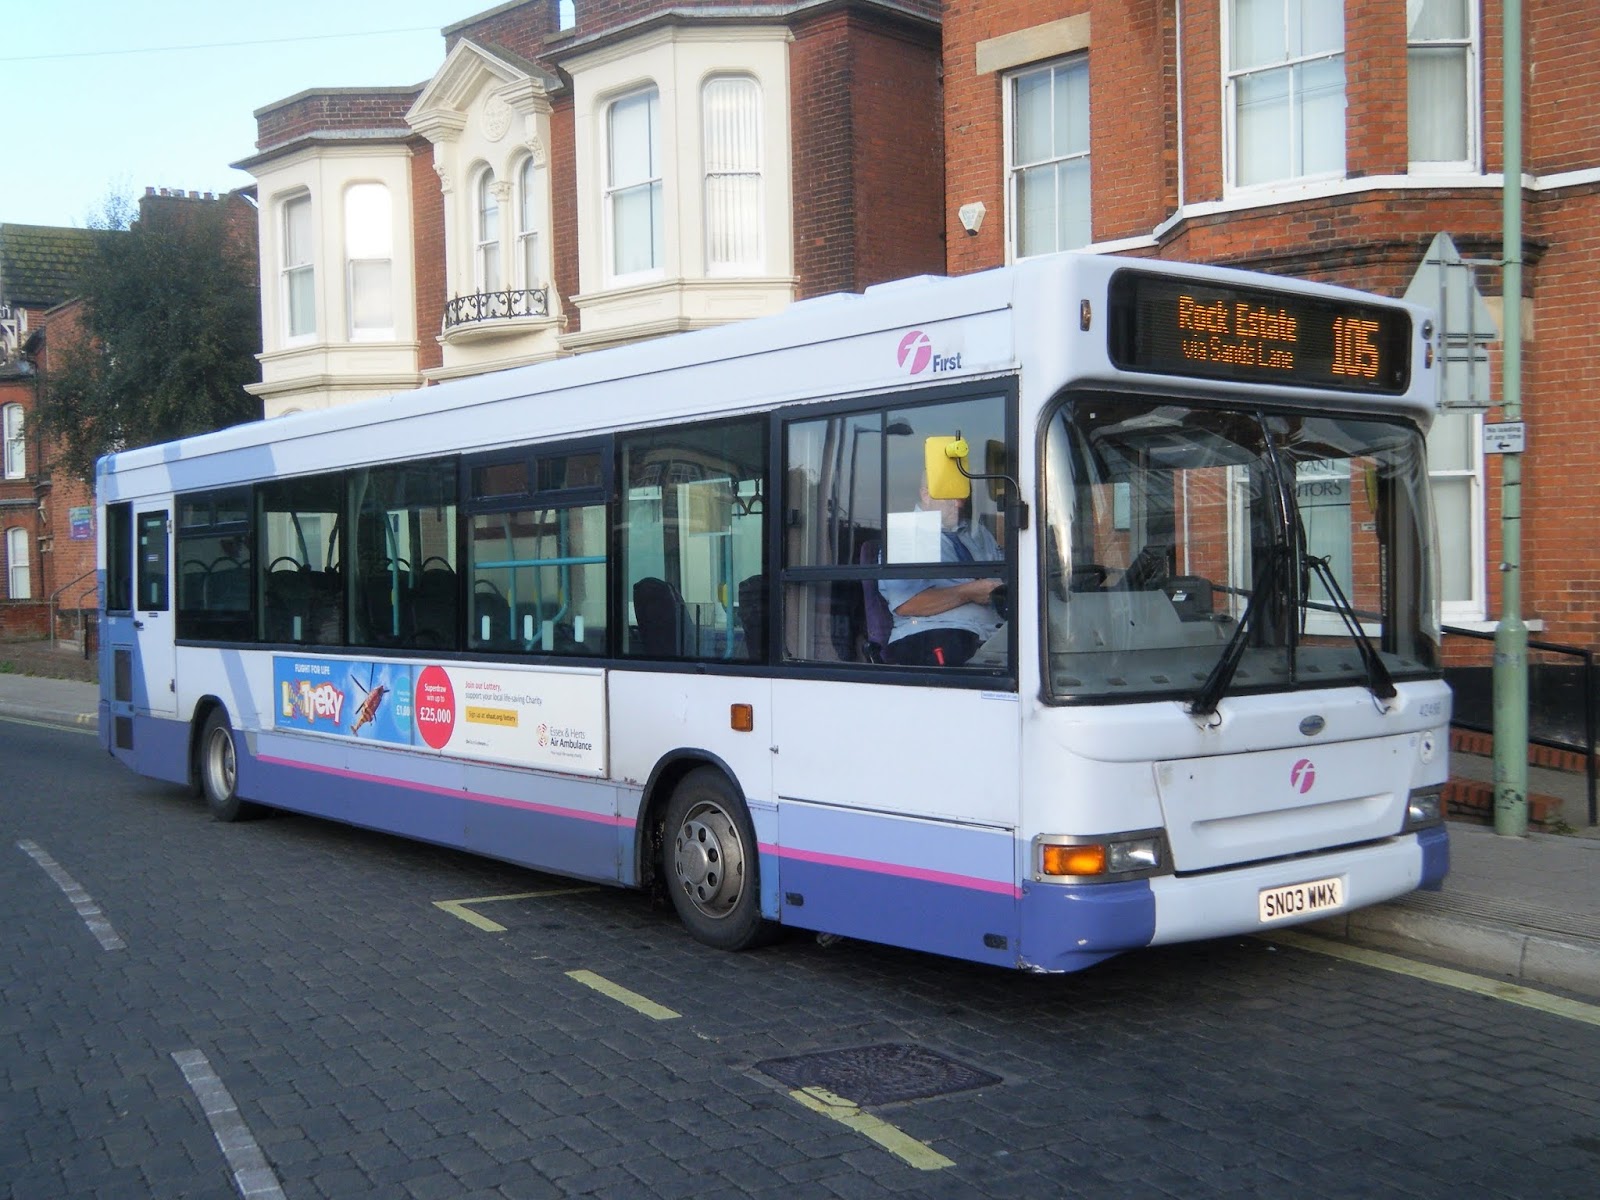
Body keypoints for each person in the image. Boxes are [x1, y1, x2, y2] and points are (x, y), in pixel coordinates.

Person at [877, 481, 1004, 666]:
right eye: (950, 496)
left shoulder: (976, 532)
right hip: (934, 635)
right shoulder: (909, 532)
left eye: (961, 496)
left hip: (990, 634)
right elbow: (908, 603)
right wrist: (968, 592)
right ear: (926, 494)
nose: (959, 503)